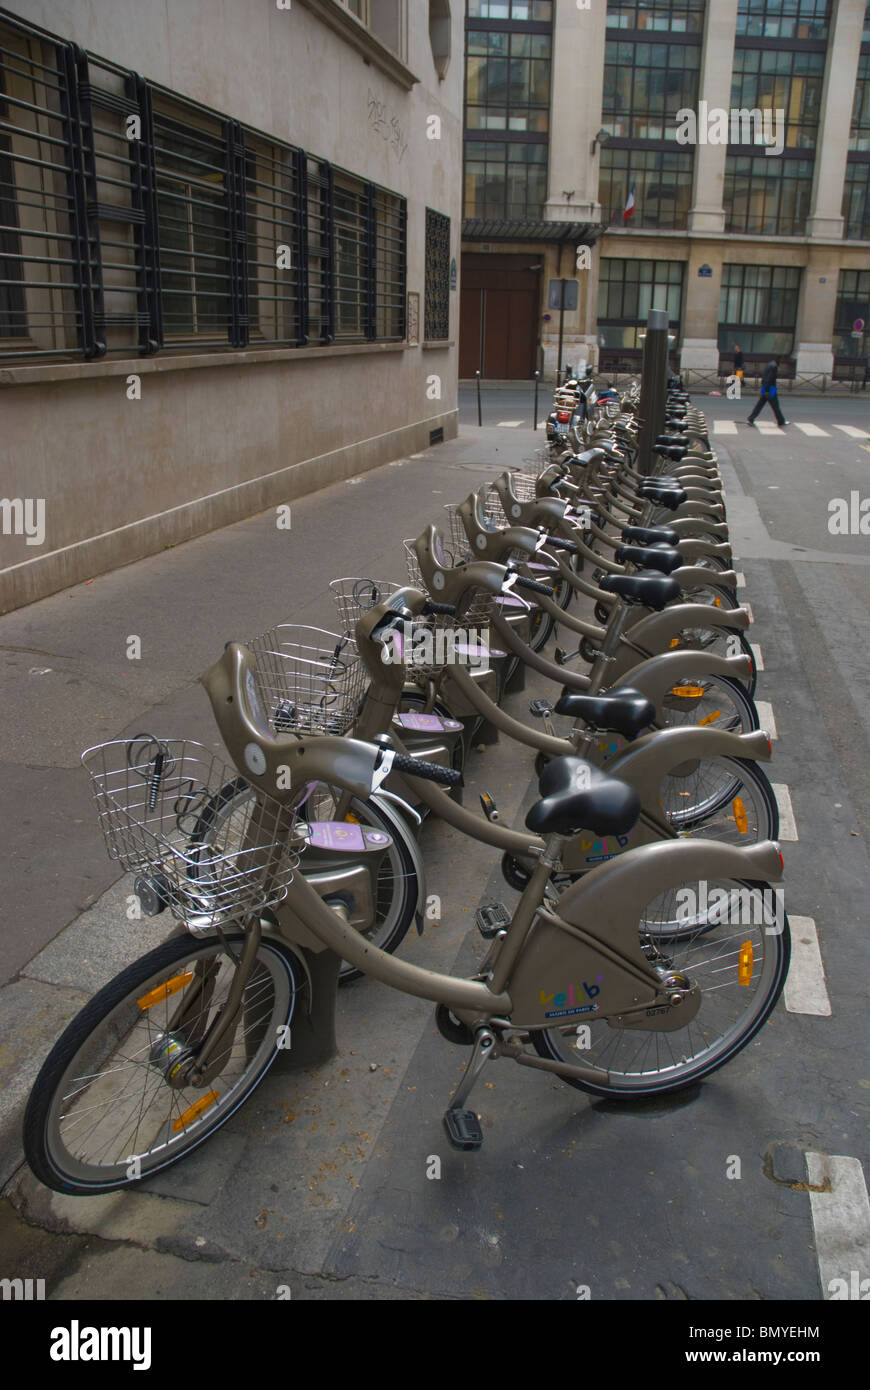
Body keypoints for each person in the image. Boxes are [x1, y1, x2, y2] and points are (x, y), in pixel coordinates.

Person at [747, 357, 787, 427]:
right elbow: (770, 378)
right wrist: (767, 390)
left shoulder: (769, 365)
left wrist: (764, 388)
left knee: (760, 405)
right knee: (775, 406)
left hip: (765, 386)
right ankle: (781, 421)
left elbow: (764, 376)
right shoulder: (774, 367)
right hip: (771, 388)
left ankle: (751, 418)